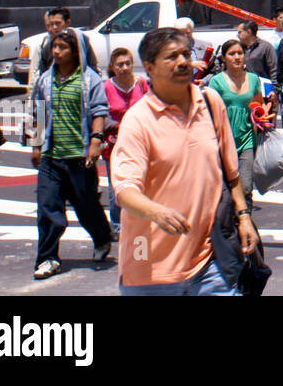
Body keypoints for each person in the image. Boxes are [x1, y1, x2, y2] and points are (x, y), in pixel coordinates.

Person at [111, 28, 257, 294]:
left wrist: (244, 216)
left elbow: (231, 172)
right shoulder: (137, 121)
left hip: (210, 262)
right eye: (171, 57)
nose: (182, 62)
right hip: (150, 268)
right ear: (149, 67)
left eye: (186, 54)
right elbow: (125, 192)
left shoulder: (210, 103)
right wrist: (157, 212)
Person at [28, 30, 113, 280]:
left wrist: (96, 141)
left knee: (86, 205)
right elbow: (38, 114)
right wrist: (35, 146)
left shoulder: (89, 79)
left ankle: (102, 238)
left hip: (79, 156)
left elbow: (99, 111)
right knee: (47, 208)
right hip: (51, 156)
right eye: (54, 47)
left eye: (62, 47)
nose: (56, 52)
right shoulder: (45, 79)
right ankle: (47, 258)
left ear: (76, 52)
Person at [205, 39, 267, 208]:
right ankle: (231, 225)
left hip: (247, 138)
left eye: (239, 53)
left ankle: (245, 223)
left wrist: (262, 115)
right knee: (225, 187)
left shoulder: (253, 79)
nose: (237, 57)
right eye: (232, 54)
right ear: (224, 58)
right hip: (224, 140)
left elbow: (257, 105)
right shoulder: (216, 81)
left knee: (246, 187)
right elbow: (209, 111)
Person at [102, 48, 149, 240]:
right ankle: (117, 224)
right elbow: (100, 115)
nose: (124, 68)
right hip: (115, 143)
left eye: (127, 63)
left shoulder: (141, 83)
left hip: (139, 142)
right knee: (117, 185)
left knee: (141, 181)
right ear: (112, 67)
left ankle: (139, 219)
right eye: (119, 65)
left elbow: (149, 107)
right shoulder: (106, 87)